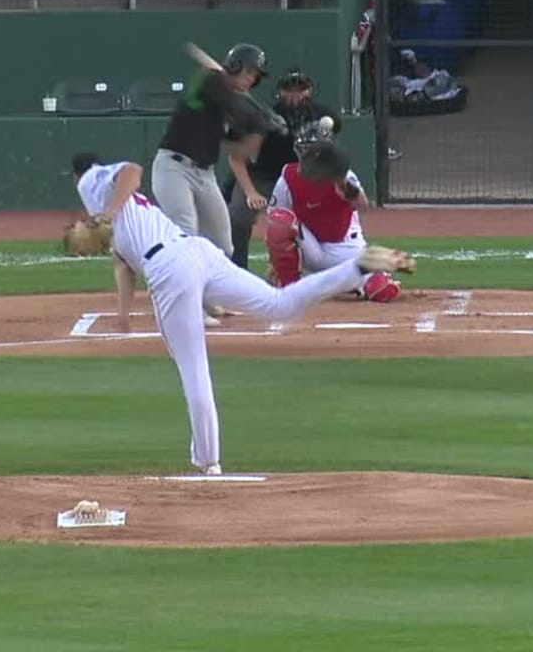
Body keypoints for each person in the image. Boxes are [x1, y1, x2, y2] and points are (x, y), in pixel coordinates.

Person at [70, 152, 414, 475]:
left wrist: (106, 215)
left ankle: (209, 464)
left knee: (194, 370)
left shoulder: (90, 183)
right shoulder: (124, 220)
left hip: (170, 269)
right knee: (279, 304)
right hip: (198, 252)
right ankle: (357, 267)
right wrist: (123, 317)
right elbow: (123, 267)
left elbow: (131, 170)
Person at [153, 43, 281, 324]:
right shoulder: (208, 81)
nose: (250, 80)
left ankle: (208, 298)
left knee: (223, 243)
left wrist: (260, 130)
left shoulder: (228, 102)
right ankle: (187, 307)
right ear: (234, 66)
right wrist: (261, 116)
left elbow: (237, 146)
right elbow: (236, 105)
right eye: (248, 72)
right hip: (173, 169)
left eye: (255, 76)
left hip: (204, 173)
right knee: (186, 235)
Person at [225, 67, 339, 272]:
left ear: (309, 91)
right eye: (289, 90)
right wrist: (251, 192)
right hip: (264, 176)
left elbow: (332, 147)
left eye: (300, 89)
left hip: (302, 178)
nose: (295, 95)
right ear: (280, 92)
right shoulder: (263, 117)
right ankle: (237, 270)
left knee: (324, 215)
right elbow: (238, 157)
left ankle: (325, 266)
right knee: (238, 215)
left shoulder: (323, 115)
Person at [265, 137, 403, 303]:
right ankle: (291, 287)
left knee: (380, 289)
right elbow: (275, 219)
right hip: (309, 247)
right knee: (280, 223)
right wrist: (274, 261)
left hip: (344, 247)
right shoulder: (288, 179)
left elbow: (362, 206)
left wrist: (347, 190)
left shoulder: (345, 177)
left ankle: (353, 280)